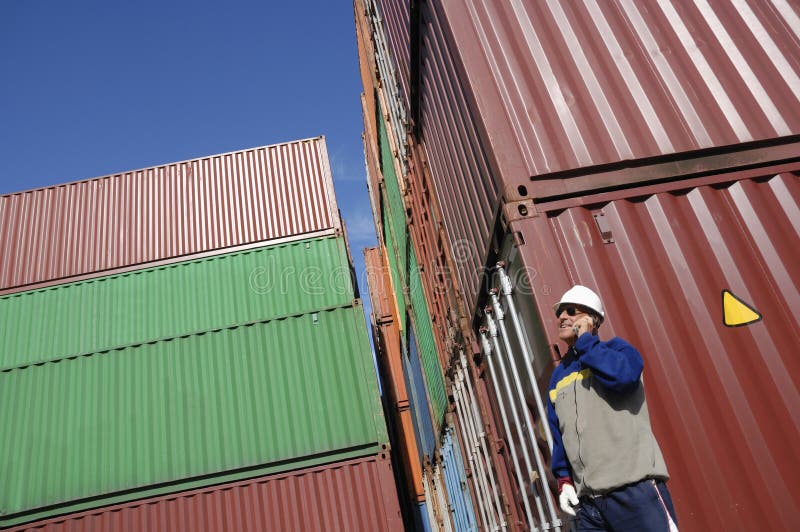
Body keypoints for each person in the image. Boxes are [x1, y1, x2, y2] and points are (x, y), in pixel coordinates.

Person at [546, 285, 678, 531]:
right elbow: (559, 434)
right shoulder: (559, 376)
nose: (562, 317)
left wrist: (586, 343)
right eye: (559, 313)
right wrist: (564, 480)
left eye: (570, 311)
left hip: (633, 494)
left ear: (592, 320)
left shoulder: (618, 351)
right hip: (590, 506)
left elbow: (623, 378)